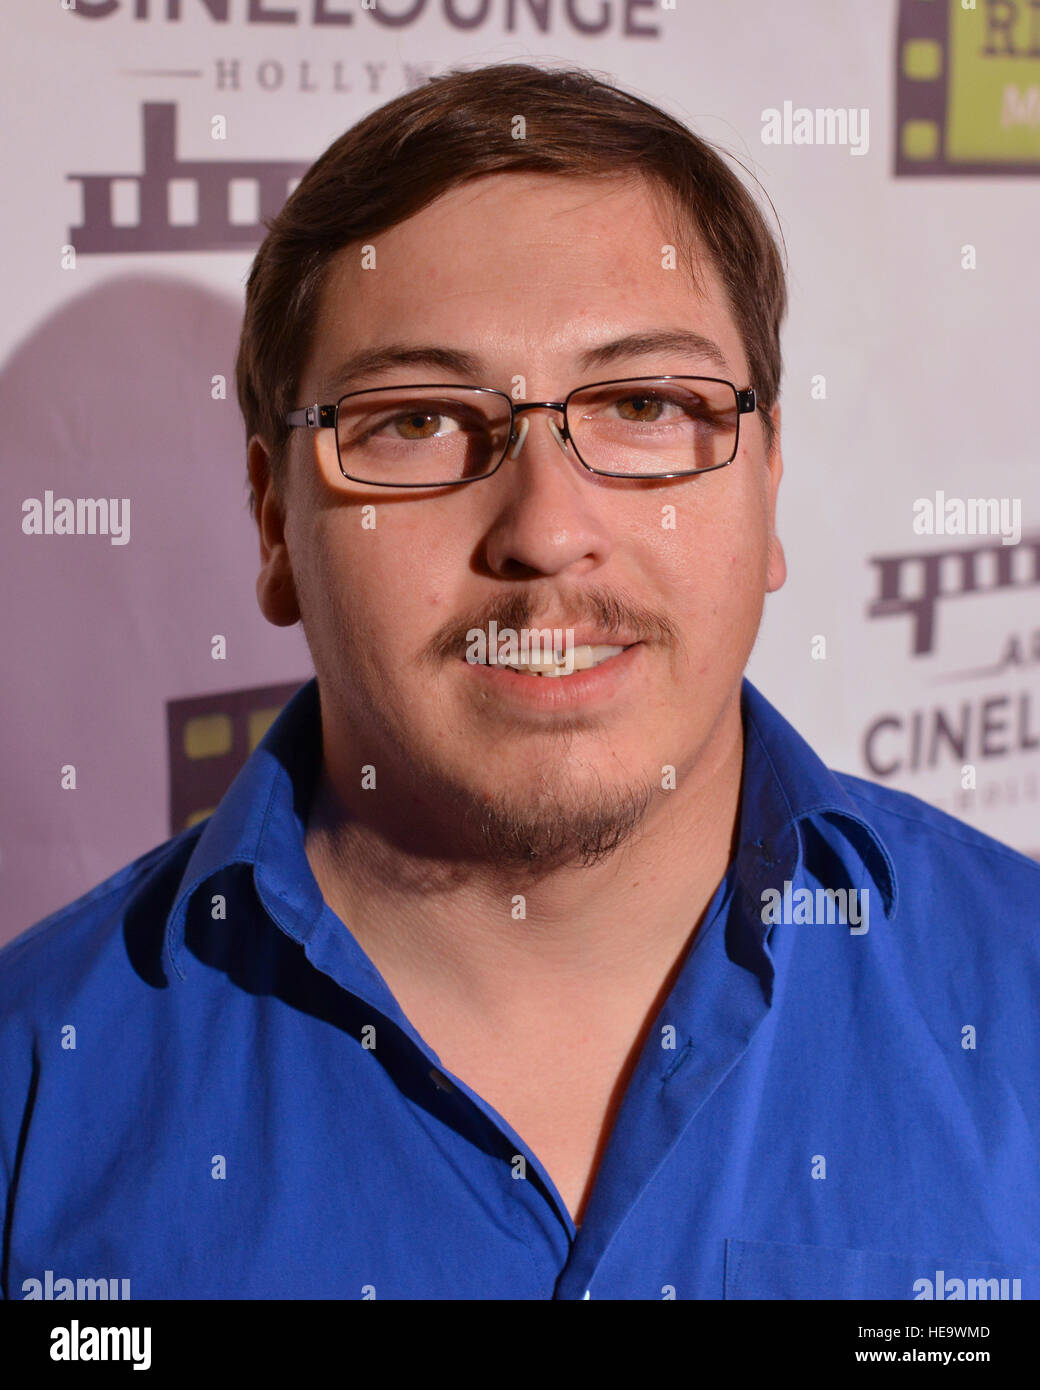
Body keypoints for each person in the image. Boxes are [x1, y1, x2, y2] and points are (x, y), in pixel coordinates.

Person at [3, 61, 1038, 1303]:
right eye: (418, 421)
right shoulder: (33, 1085)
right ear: (273, 524)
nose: (545, 529)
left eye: (646, 401)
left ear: (766, 483)